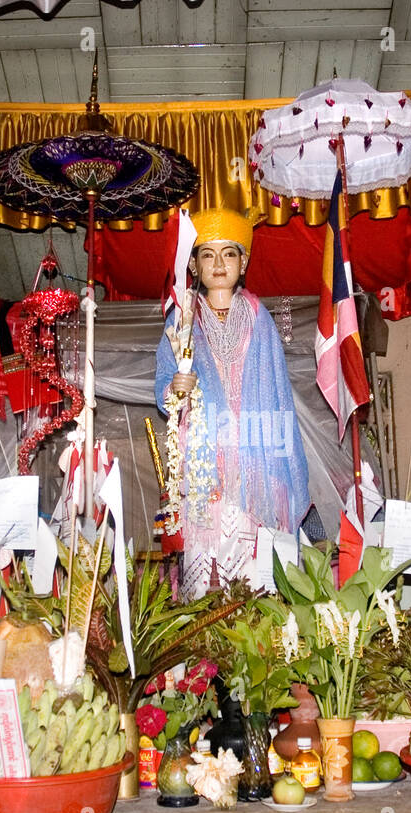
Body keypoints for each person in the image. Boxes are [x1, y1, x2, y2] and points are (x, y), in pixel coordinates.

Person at [155, 208, 310, 597]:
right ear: (193, 264)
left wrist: (276, 460)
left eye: (229, 253)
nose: (219, 264)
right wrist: (177, 387)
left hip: (256, 462)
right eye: (208, 254)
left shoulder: (260, 318)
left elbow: (278, 396)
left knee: (256, 588)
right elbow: (162, 387)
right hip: (204, 465)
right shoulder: (182, 318)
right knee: (206, 585)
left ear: (244, 262)